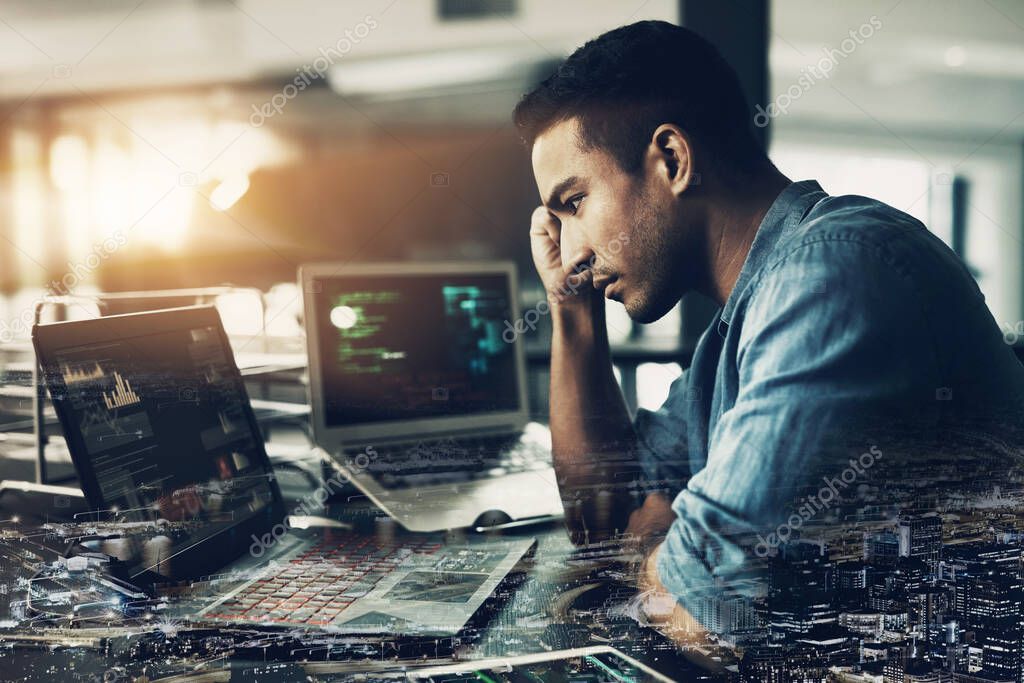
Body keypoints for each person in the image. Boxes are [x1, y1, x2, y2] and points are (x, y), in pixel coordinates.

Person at [512, 20, 1024, 638]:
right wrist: (570, 305)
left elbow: (710, 612)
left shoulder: (834, 274)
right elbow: (604, 519)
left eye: (574, 202)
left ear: (672, 159)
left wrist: (660, 538)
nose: (570, 252)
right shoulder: (734, 331)